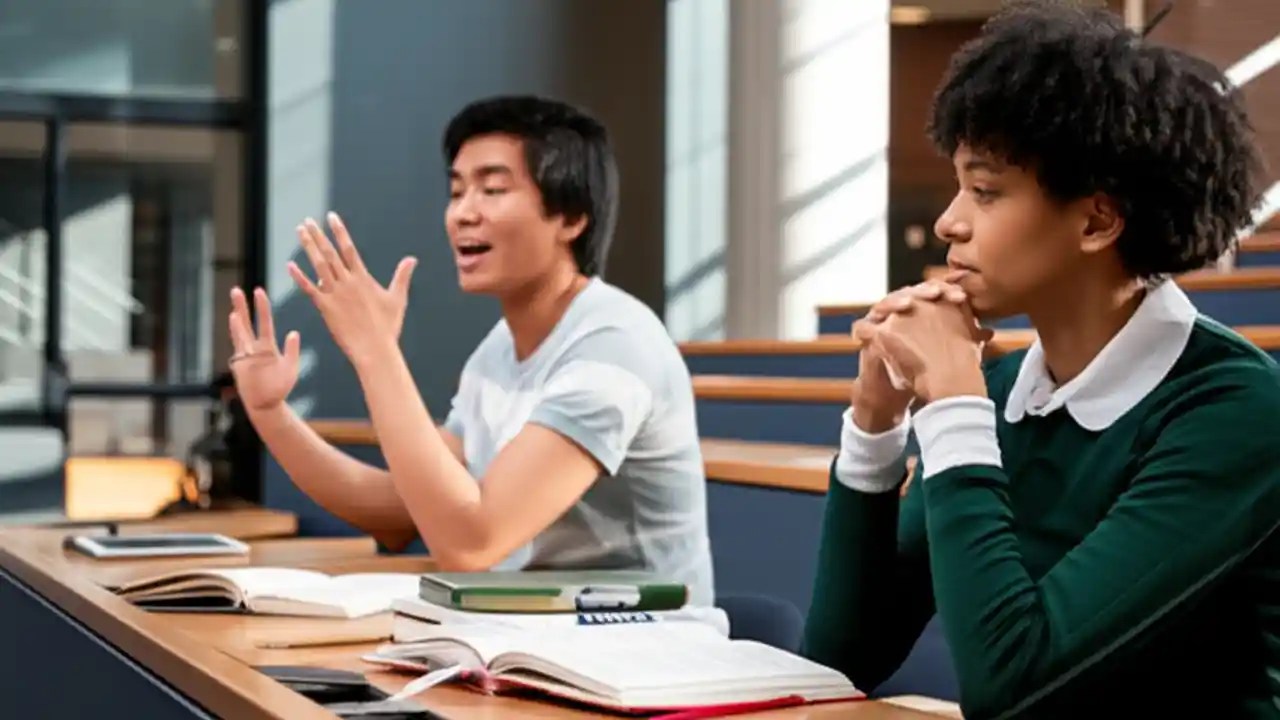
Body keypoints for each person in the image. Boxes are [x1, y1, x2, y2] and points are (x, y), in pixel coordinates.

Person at [802, 2, 1279, 717]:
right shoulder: (996, 392)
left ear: (1096, 220)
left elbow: (1016, 687)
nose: (948, 222)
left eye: (986, 191)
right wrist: (874, 426)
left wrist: (956, 408)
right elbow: (844, 658)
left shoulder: (1235, 411)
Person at [225, 95, 715, 605]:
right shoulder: (498, 351)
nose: (463, 213)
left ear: (570, 218)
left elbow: (471, 543)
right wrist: (271, 414)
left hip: (643, 651)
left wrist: (375, 352)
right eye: (457, 191)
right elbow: (402, 510)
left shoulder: (613, 349)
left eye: (494, 189)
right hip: (537, 634)